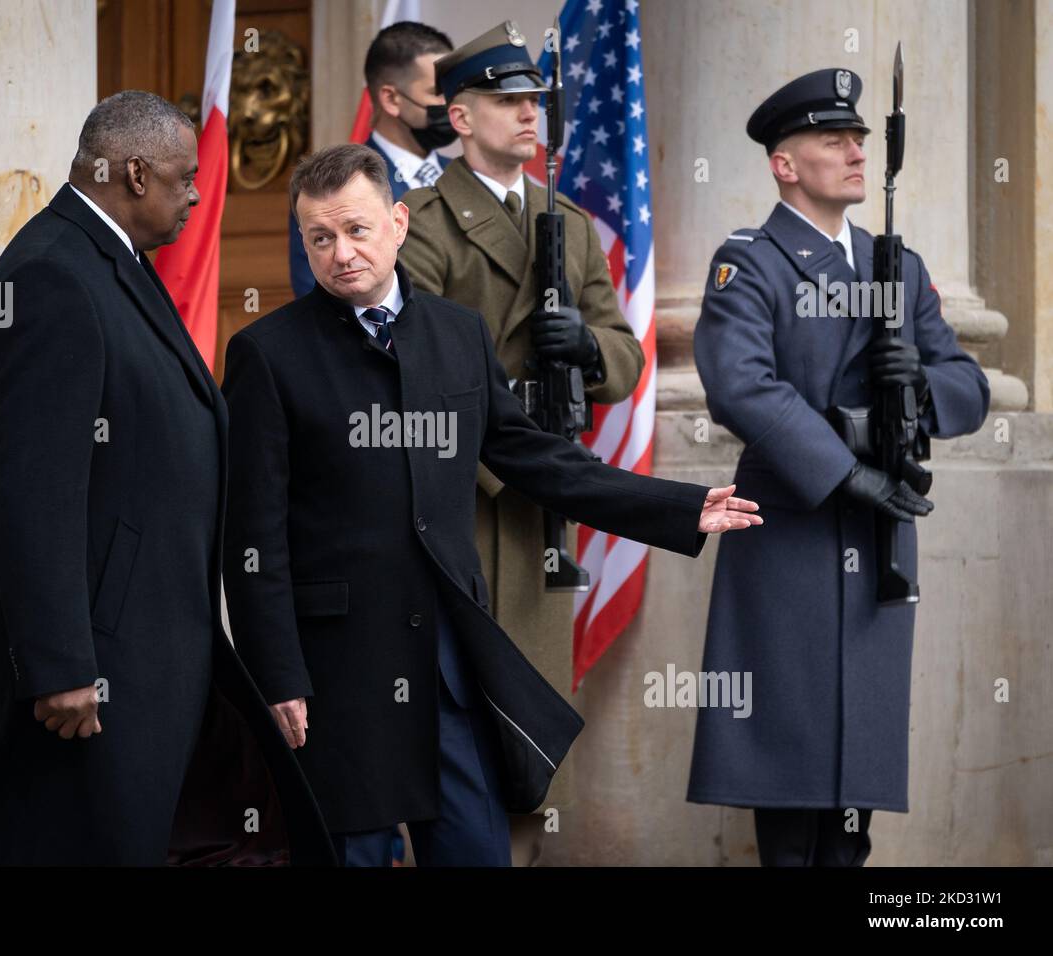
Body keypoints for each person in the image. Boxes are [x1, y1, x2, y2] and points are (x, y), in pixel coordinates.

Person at [223, 143, 762, 867]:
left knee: (478, 854)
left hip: (449, 667)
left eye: (356, 229)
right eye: (319, 238)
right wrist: (278, 675)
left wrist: (674, 507)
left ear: (398, 224)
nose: (340, 252)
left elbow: (537, 458)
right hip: (336, 679)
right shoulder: (267, 352)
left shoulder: (457, 334)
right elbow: (253, 533)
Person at [0, 91, 334, 866]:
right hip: (94, 675)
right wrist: (61, 664)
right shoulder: (52, 274)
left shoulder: (111, 261)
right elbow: (31, 487)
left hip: (155, 655)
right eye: (184, 177)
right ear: (133, 173)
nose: (197, 193)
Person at [688, 69, 990, 866]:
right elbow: (740, 386)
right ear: (785, 165)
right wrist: (841, 469)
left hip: (879, 537)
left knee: (857, 776)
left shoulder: (900, 266)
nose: (856, 151)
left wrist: (915, 386)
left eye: (859, 138)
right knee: (788, 781)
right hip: (793, 529)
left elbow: (969, 383)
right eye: (834, 139)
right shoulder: (749, 263)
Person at [397, 20, 645, 863]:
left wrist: (586, 345)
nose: (528, 115)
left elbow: (625, 356)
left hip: (540, 516)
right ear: (460, 118)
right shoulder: (423, 224)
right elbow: (411, 361)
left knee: (527, 754)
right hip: (461, 503)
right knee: (456, 742)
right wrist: (506, 453)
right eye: (506, 102)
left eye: (534, 100)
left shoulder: (565, 223)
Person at [288, 20, 455, 298]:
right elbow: (315, 295)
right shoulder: (337, 183)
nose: (451, 104)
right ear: (391, 98)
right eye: (437, 93)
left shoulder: (462, 176)